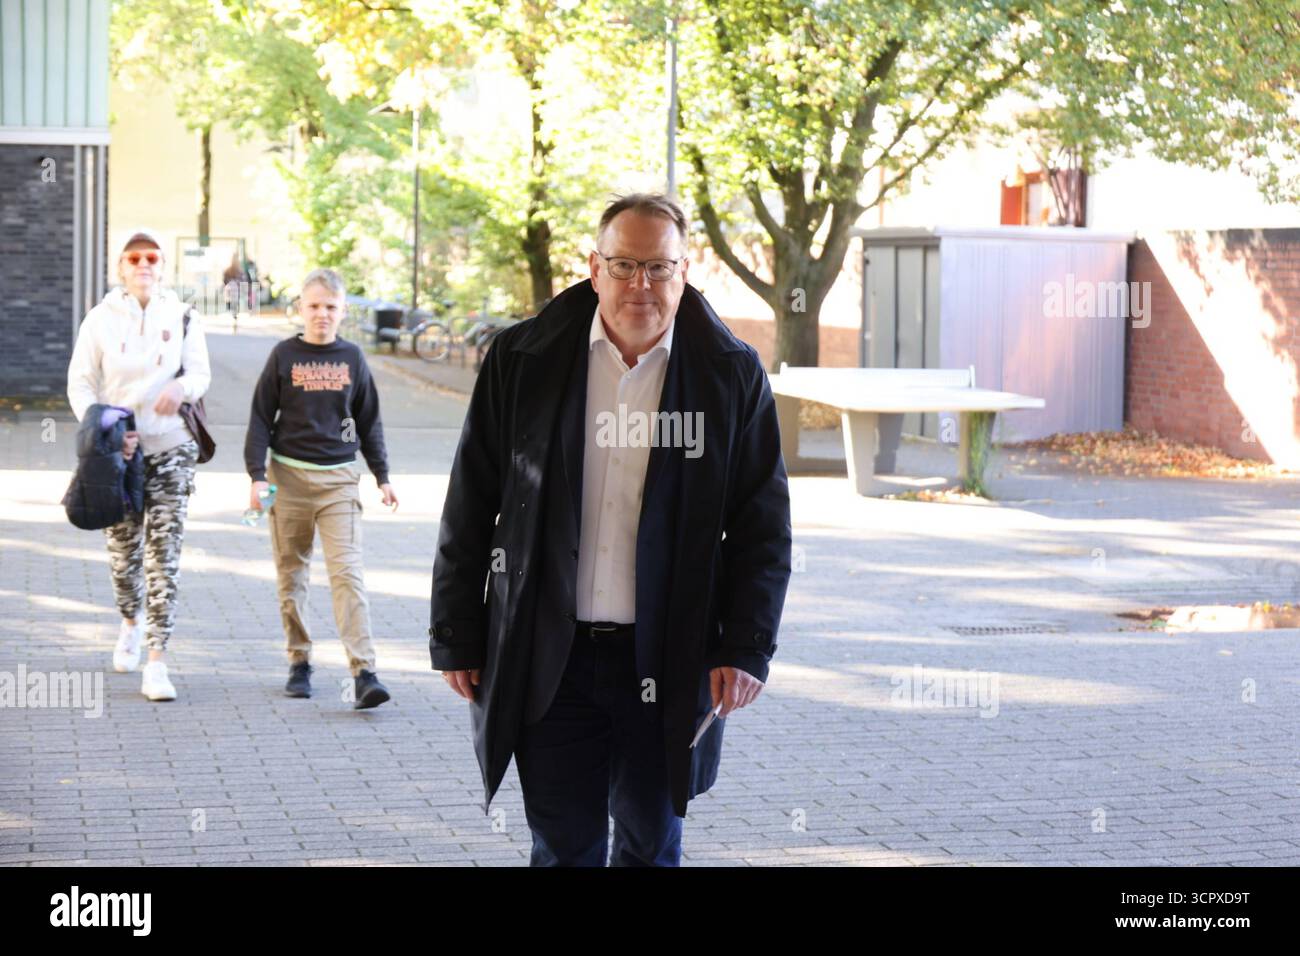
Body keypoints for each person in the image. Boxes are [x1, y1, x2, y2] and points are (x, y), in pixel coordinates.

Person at [429, 193, 792, 865]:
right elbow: (471, 504)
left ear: (687, 271)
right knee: (563, 849)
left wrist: (746, 647)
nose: (641, 285)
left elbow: (761, 529)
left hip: (669, 660)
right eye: (624, 265)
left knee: (651, 850)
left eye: (659, 267)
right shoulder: (523, 361)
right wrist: (456, 634)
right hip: (550, 660)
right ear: (593, 268)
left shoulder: (729, 376)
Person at [244, 268, 398, 709]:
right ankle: (299, 660)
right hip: (287, 480)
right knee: (291, 576)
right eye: (314, 306)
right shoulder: (283, 356)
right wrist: (257, 476)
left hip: (339, 483)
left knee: (347, 573)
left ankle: (364, 671)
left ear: (342, 311)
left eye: (331, 307)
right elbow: (259, 418)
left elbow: (369, 420)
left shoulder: (352, 358)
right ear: (300, 308)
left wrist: (382, 476)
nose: (322, 315)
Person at [67, 229, 211, 701]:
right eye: (134, 258)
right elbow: (81, 384)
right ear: (121, 268)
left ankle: (157, 660)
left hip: (172, 447)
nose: (143, 264)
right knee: (123, 555)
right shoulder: (99, 320)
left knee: (163, 556)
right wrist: (105, 429)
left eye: (152, 257)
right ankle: (130, 621)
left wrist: (181, 389)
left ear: (163, 265)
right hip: (118, 456)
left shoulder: (184, 315)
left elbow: (200, 373)